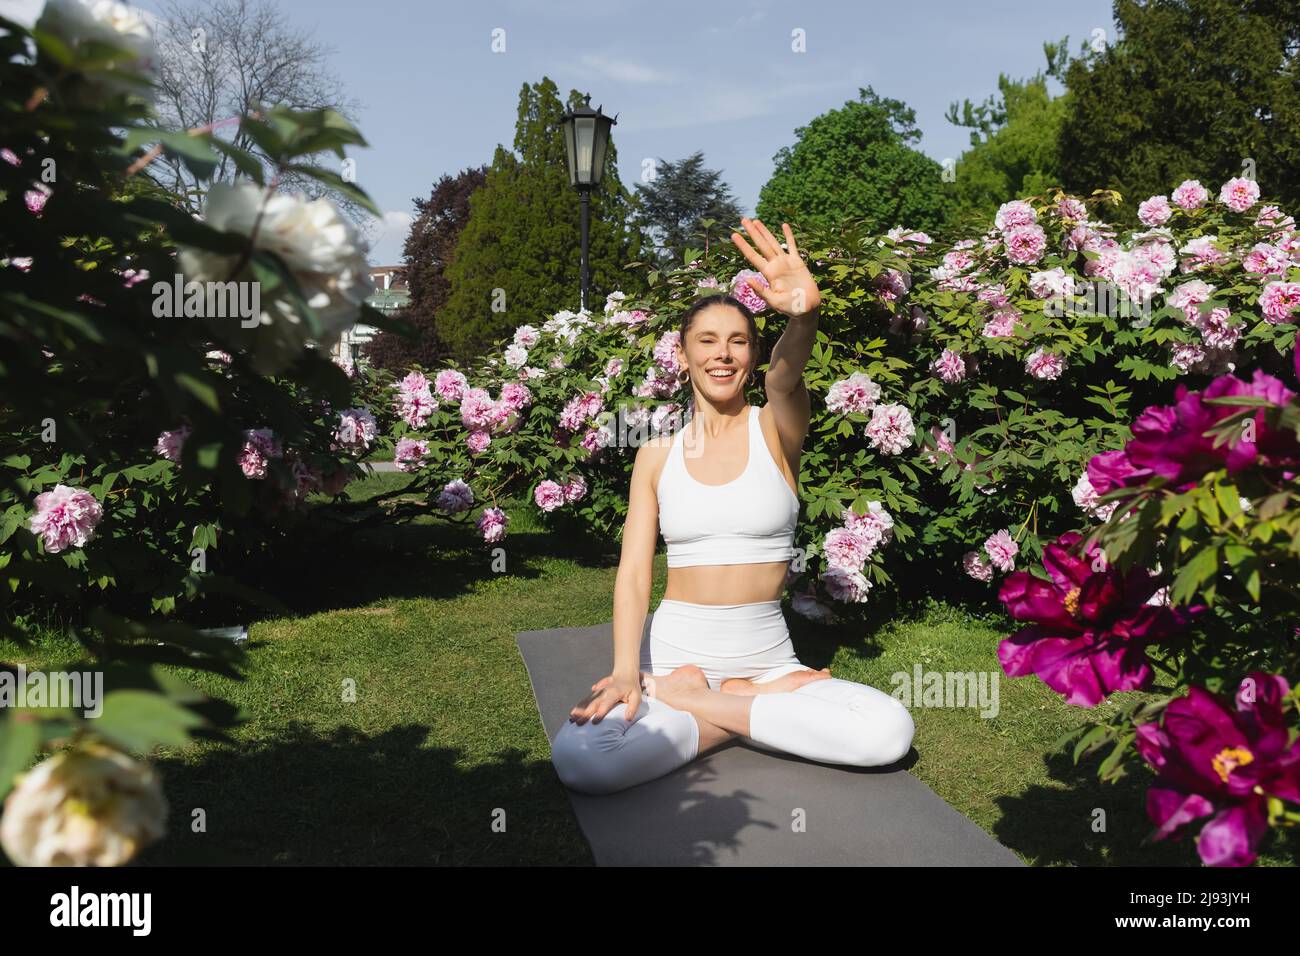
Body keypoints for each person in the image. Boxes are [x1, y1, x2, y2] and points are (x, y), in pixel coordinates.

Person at [550, 217, 914, 795]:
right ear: (683, 352)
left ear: (754, 352)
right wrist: (627, 672)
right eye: (708, 341)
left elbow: (786, 378)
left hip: (769, 664)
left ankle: (713, 703)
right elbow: (635, 572)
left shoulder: (776, 429)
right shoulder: (656, 454)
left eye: (739, 341)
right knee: (582, 757)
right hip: (673, 660)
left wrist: (804, 314)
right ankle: (745, 710)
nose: (723, 355)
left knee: (888, 732)